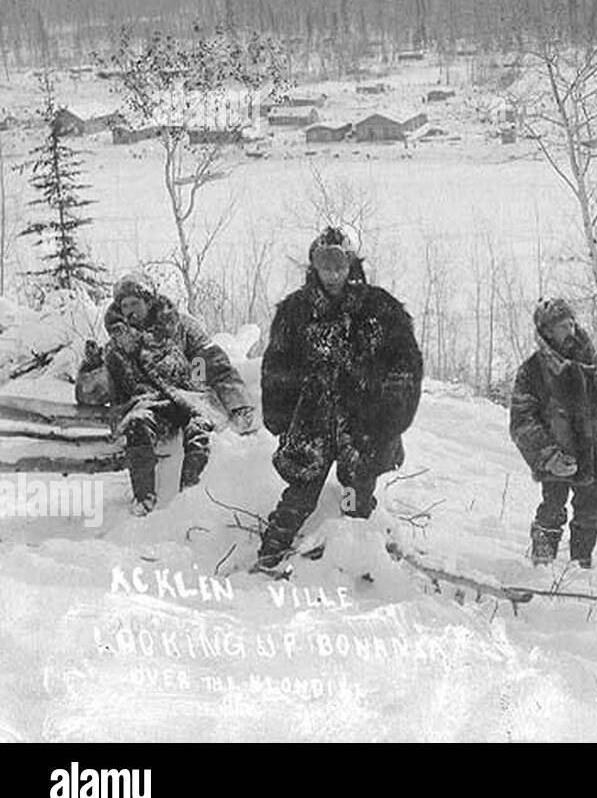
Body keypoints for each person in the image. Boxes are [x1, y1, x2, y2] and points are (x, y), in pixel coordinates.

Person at [255, 228, 423, 572]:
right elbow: (277, 369)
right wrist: (280, 419)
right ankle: (269, 555)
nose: (332, 273)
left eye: (339, 264)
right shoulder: (295, 311)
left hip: (364, 424)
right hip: (311, 420)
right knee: (300, 492)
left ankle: (352, 561)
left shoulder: (380, 308)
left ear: (351, 264)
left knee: (355, 495)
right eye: (324, 264)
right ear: (313, 266)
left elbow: (406, 367)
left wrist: (392, 420)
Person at [75, 271, 256, 515]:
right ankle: (144, 501)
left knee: (200, 428)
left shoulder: (182, 327)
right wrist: (92, 366)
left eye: (135, 303)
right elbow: (91, 397)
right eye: (124, 305)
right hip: (148, 407)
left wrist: (237, 403)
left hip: (189, 399)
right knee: (137, 424)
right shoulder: (116, 347)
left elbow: (214, 364)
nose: (130, 311)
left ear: (149, 302)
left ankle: (191, 497)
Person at [509, 297, 597, 568]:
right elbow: (522, 420)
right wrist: (548, 456)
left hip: (592, 454)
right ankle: (542, 565)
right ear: (547, 331)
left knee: (589, 516)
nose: (571, 330)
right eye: (563, 326)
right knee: (552, 510)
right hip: (558, 456)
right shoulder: (532, 371)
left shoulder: (595, 364)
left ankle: (582, 568)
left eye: (571, 323)